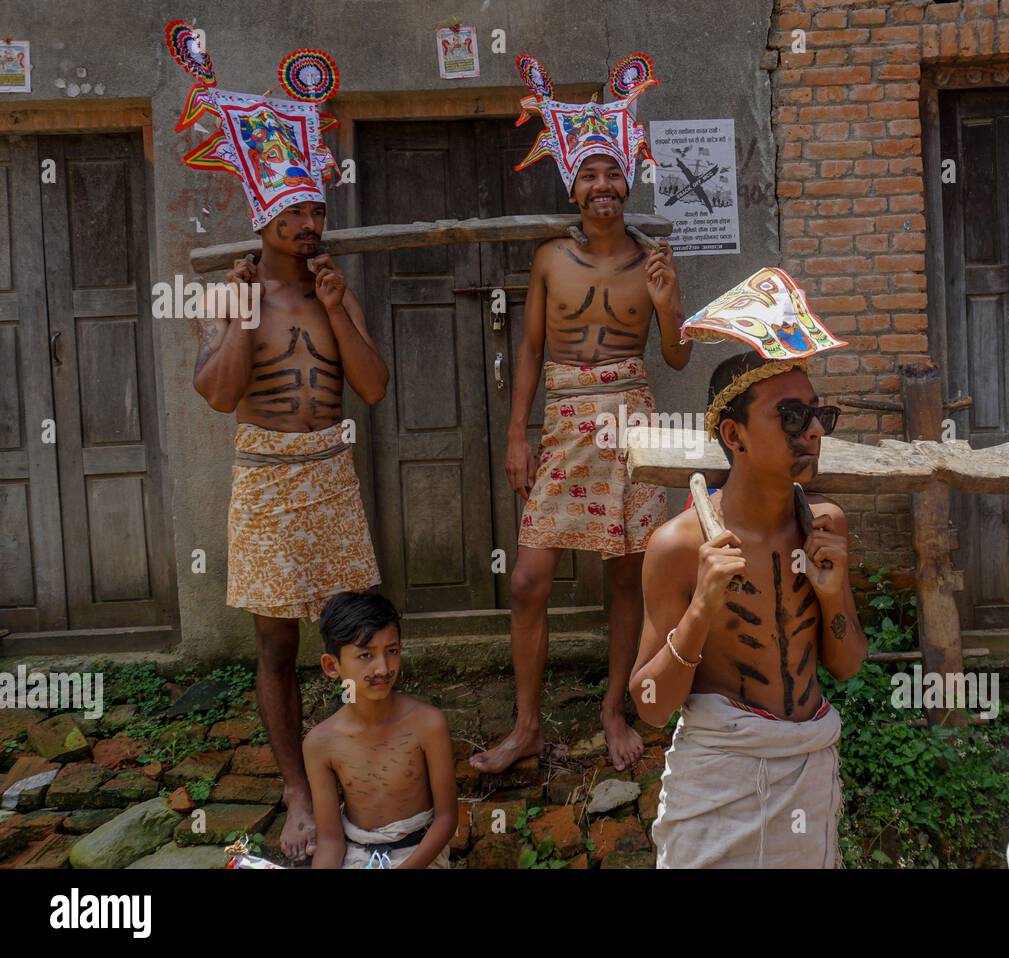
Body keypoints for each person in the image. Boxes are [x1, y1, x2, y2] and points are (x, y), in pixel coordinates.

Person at [170, 29, 388, 860]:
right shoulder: (232, 298)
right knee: (274, 643)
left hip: (329, 470)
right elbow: (222, 395)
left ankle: (353, 765)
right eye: (293, 212)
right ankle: (298, 788)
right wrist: (238, 314)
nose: (308, 223)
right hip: (263, 474)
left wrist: (336, 307)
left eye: (315, 211)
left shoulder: (339, 292)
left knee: (353, 629)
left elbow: (372, 388)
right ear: (264, 219)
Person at [471, 52, 691, 774]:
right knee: (530, 578)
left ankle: (612, 709)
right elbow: (530, 350)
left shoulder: (652, 260)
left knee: (625, 577)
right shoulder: (548, 259)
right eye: (590, 174)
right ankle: (526, 724)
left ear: (628, 182)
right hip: (564, 424)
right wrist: (516, 433)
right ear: (574, 185)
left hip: (632, 418)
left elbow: (679, 358)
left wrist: (668, 307)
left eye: (613, 173)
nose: (603, 185)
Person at [632, 351, 868, 868]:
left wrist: (830, 594)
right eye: (790, 416)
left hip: (805, 775)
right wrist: (701, 607)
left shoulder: (825, 526)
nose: (812, 432)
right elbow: (649, 705)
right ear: (734, 436)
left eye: (818, 415)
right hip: (719, 788)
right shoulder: (679, 546)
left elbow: (847, 665)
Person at [305, 592, 457, 869]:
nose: (383, 668)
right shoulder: (320, 743)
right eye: (365, 655)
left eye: (392, 651)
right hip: (357, 854)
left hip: (419, 855)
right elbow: (330, 842)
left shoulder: (427, 724)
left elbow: (446, 820)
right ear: (331, 666)